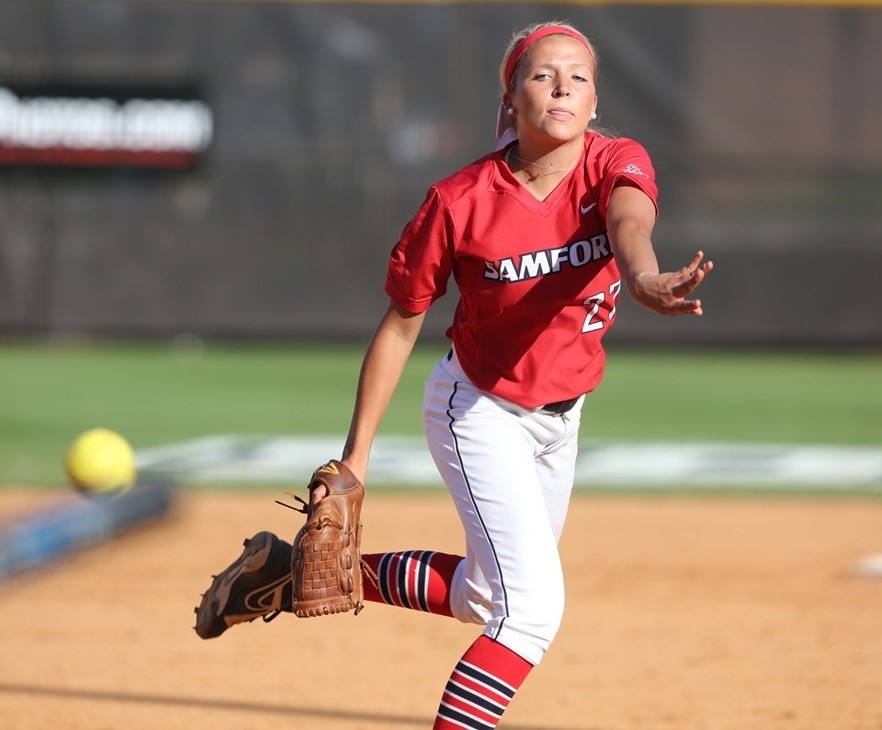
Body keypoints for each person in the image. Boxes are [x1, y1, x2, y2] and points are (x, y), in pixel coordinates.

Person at [195, 20, 712, 729]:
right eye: (542, 74)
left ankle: (285, 576)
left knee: (482, 596)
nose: (562, 85)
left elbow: (631, 225)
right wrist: (355, 459)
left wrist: (646, 277)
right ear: (509, 102)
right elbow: (400, 325)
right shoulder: (459, 200)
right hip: (479, 412)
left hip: (561, 419)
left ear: (595, 104)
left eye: (579, 77)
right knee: (530, 615)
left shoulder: (612, 161)